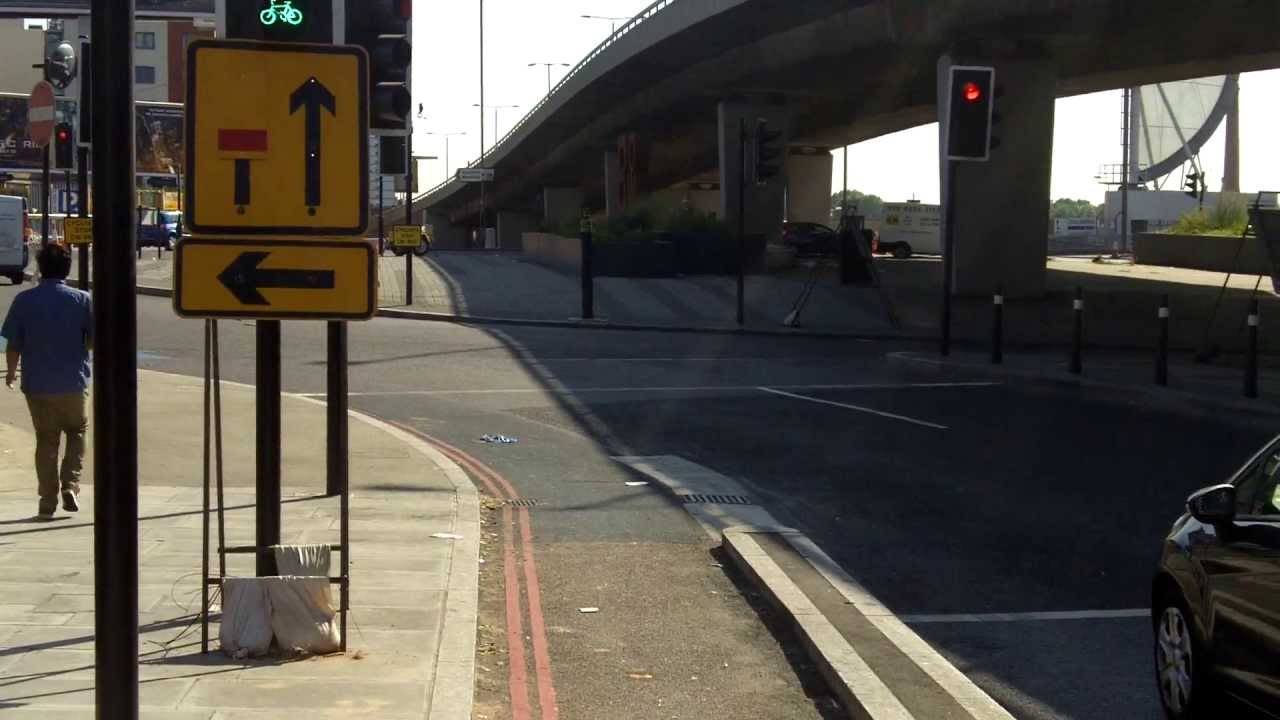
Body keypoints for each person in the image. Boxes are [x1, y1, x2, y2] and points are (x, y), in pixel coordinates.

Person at [2, 243, 92, 520]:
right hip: (73, 381)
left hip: (37, 383)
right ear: (67, 268)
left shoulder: (24, 300)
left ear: (40, 268)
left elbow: (12, 343)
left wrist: (11, 373)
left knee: (46, 440)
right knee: (77, 431)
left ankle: (47, 500)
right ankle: (70, 484)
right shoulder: (83, 300)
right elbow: (93, 340)